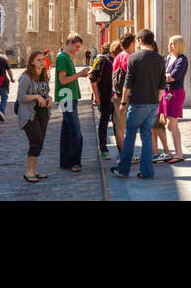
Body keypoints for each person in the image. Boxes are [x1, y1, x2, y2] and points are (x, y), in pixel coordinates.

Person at [112, 29, 167, 181]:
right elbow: (163, 84)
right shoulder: (160, 58)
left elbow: (128, 83)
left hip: (137, 103)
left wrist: (123, 102)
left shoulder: (134, 58)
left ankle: (123, 170)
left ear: (140, 41)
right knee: (147, 137)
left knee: (130, 136)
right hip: (153, 103)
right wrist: (156, 100)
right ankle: (147, 172)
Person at [15, 51, 53, 183]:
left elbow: (46, 93)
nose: (42, 62)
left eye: (43, 60)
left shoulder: (43, 76)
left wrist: (49, 98)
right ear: (32, 62)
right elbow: (21, 97)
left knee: (39, 143)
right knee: (35, 141)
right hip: (30, 115)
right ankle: (28, 171)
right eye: (38, 60)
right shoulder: (26, 77)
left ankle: (34, 170)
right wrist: (36, 97)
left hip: (43, 114)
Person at [55, 34, 90, 172]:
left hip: (69, 96)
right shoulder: (62, 57)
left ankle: (65, 161)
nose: (77, 49)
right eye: (76, 46)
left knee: (67, 130)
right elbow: (63, 80)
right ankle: (75, 162)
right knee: (75, 131)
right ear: (69, 43)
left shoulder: (66, 57)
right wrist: (80, 74)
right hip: (66, 97)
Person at [156, 35, 188, 163]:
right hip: (166, 92)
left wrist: (163, 76)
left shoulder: (182, 59)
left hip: (175, 93)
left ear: (178, 45)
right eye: (169, 43)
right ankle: (176, 151)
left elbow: (172, 77)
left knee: (172, 123)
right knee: (169, 124)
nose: (169, 46)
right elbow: (164, 75)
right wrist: (164, 75)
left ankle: (179, 153)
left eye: (172, 44)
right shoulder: (167, 58)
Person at [89, 42, 116, 160]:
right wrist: (96, 96)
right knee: (104, 123)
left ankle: (121, 149)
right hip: (104, 97)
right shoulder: (102, 60)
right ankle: (104, 149)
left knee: (118, 125)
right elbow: (92, 77)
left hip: (115, 97)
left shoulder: (117, 59)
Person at [111, 33, 135, 158]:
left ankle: (122, 153)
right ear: (131, 44)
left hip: (116, 94)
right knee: (129, 127)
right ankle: (127, 155)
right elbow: (130, 80)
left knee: (119, 127)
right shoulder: (129, 58)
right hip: (126, 97)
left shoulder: (117, 57)